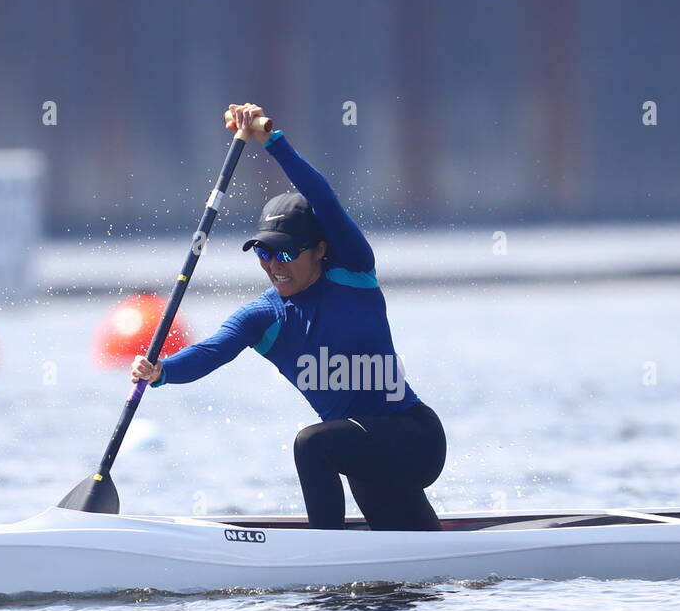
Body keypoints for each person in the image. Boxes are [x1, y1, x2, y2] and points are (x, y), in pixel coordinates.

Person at [131, 103, 446, 530]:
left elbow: (324, 199)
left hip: (415, 439)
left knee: (311, 444)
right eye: (263, 252)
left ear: (320, 249)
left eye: (285, 252)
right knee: (404, 560)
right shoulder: (264, 316)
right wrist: (160, 372)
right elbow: (211, 351)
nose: (273, 264)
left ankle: (324, 552)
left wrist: (272, 142)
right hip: (362, 454)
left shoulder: (352, 271)